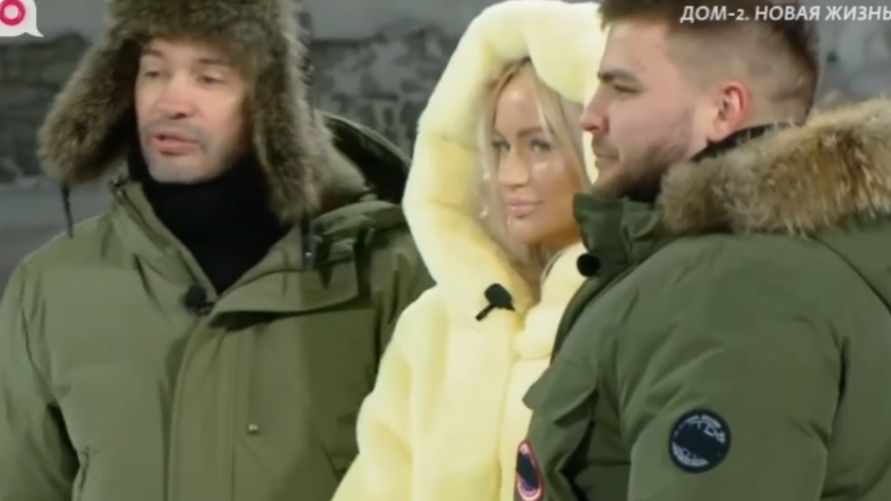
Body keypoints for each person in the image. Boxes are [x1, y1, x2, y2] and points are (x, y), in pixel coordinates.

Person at [0, 0, 432, 500]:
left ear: (276, 102)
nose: (170, 102)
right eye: (154, 72)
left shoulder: (394, 272)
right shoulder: (52, 287)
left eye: (209, 78)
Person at [518, 0, 891, 500]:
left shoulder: (730, 291)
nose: (590, 117)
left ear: (723, 111)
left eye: (622, 88)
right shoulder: (809, 256)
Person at [333, 2, 606, 500]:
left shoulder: (632, 316)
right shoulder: (435, 326)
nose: (510, 175)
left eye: (540, 145)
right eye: (499, 146)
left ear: (595, 148)